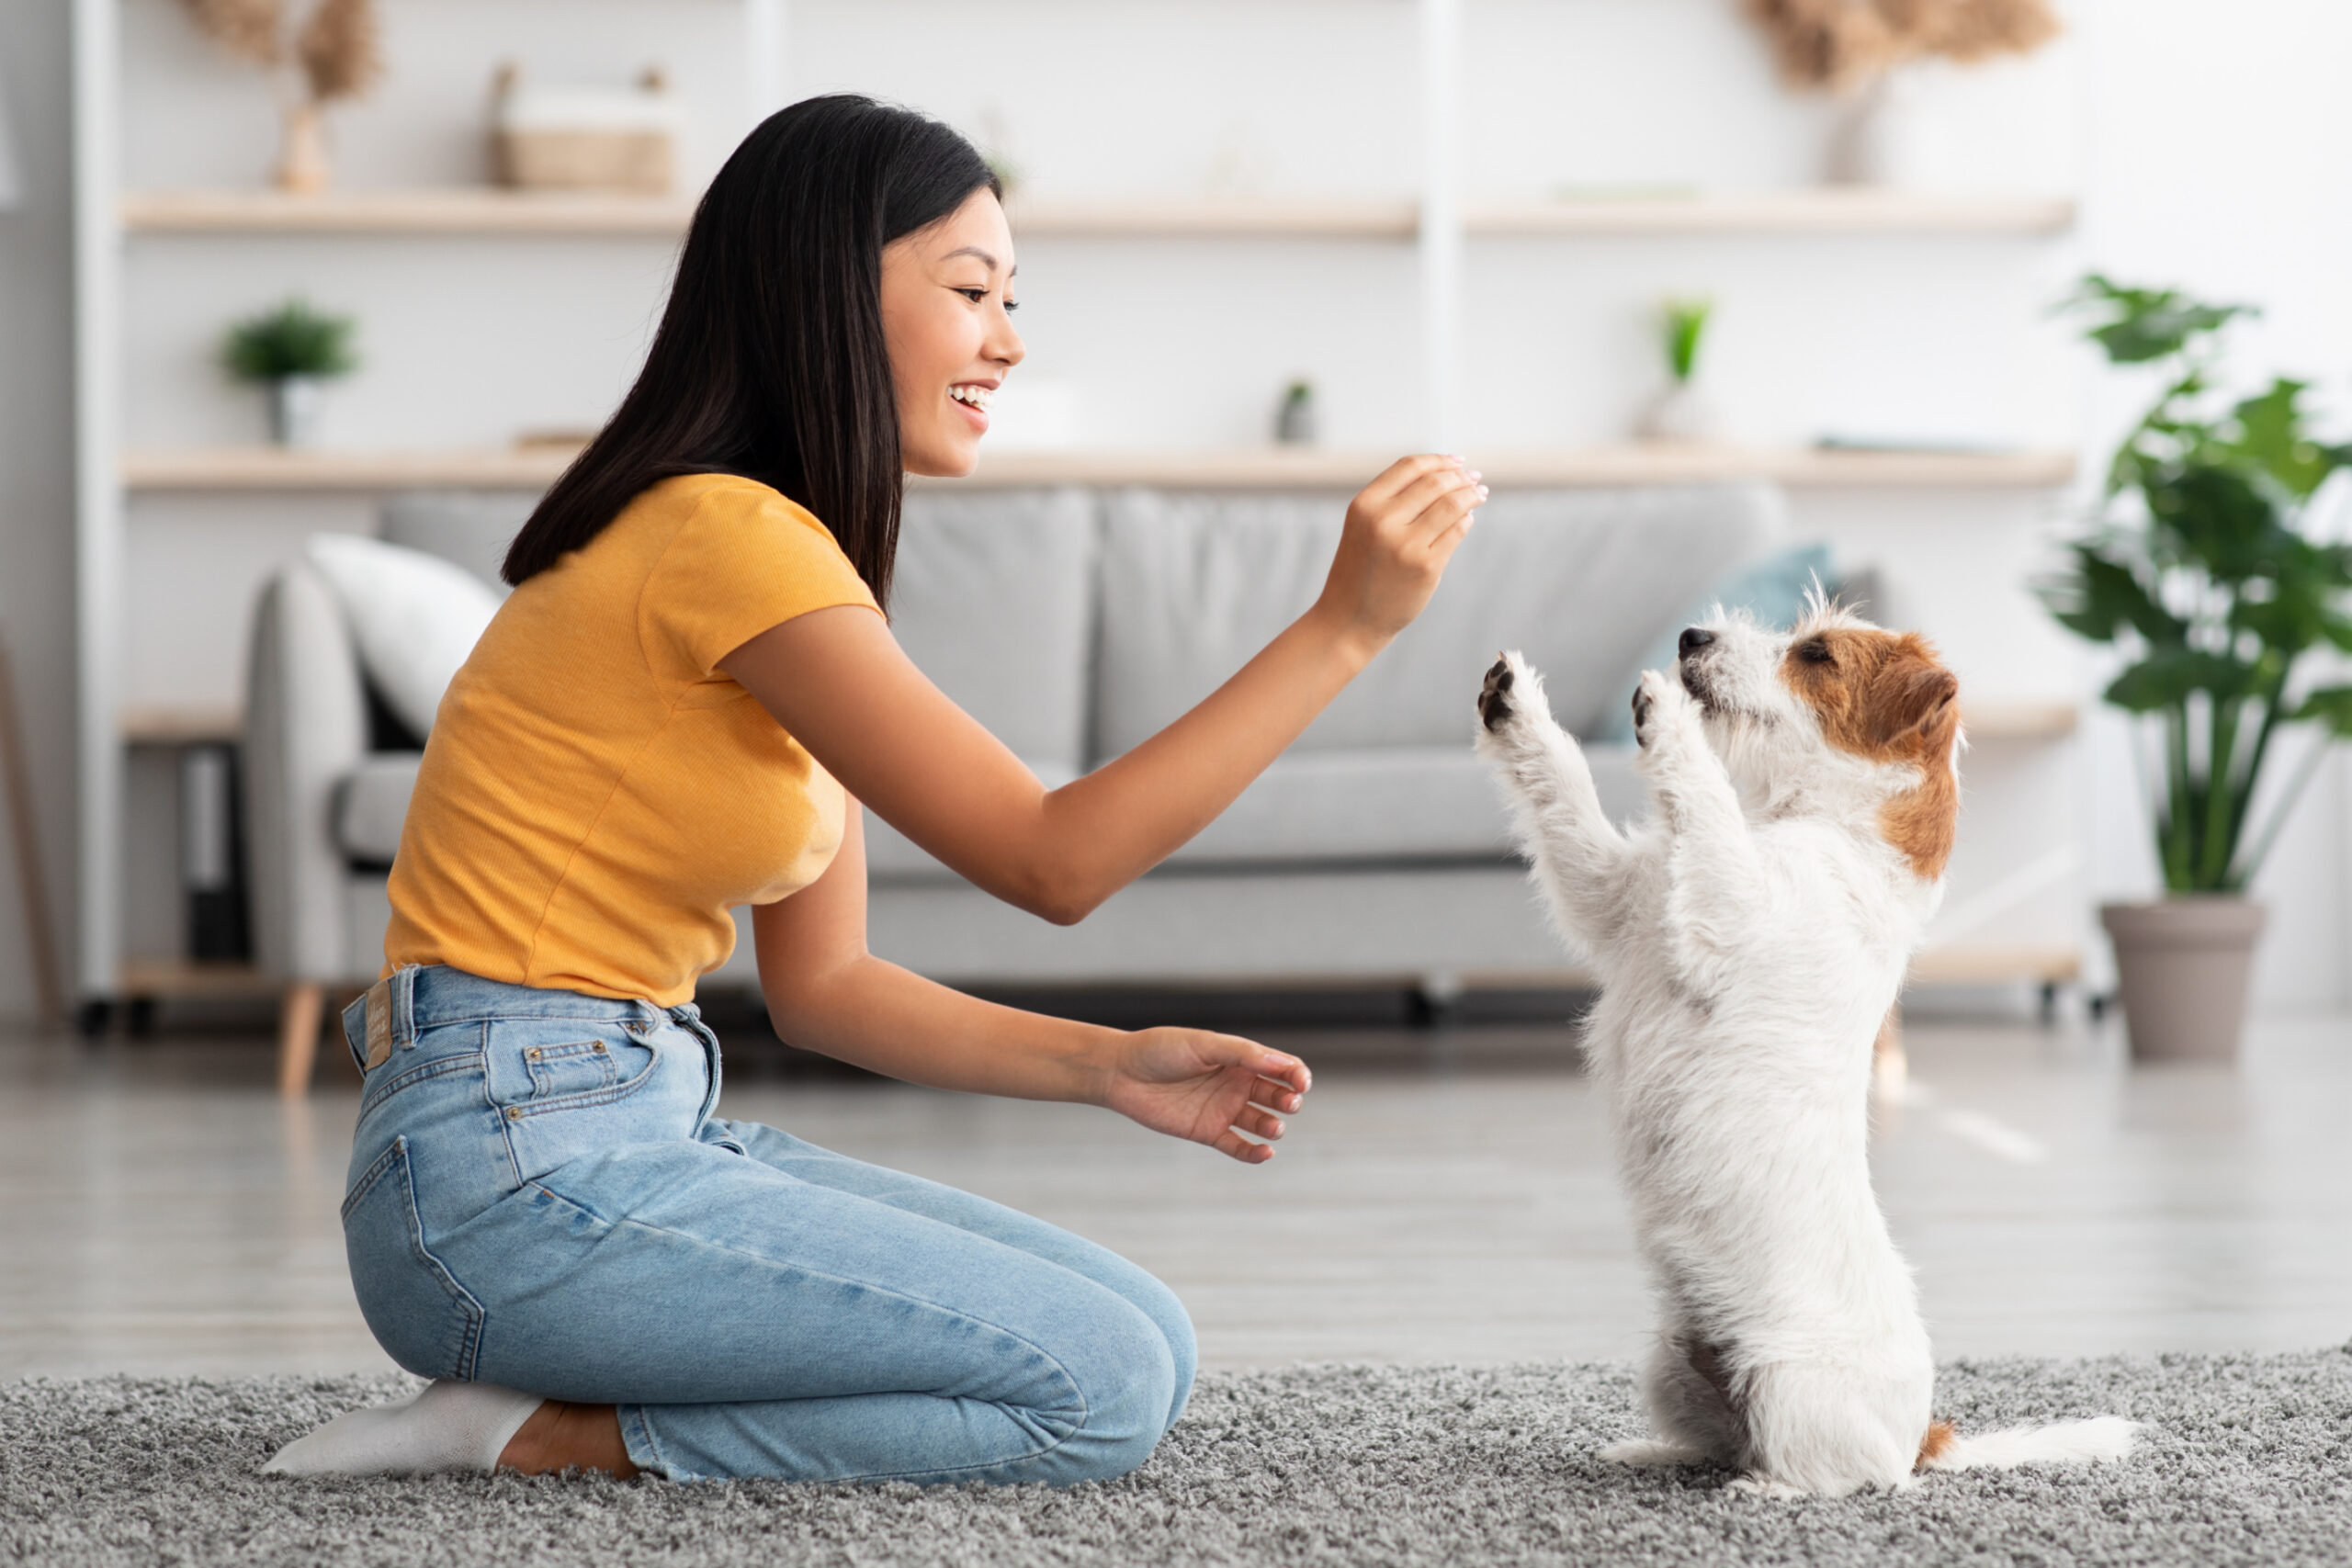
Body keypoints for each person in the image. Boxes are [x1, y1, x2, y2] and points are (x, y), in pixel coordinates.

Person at [263, 95, 1484, 1487]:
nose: (1010, 340)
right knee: (1102, 1386)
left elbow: (827, 984)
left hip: (618, 1117)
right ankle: (537, 1437)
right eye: (973, 292)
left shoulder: (775, 563)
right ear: (832, 292)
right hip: (506, 1172)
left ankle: (525, 1403)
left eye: (1014, 298)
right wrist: (1347, 627)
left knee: (1147, 1334)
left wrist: (1108, 1065)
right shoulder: (723, 536)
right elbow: (1050, 860)